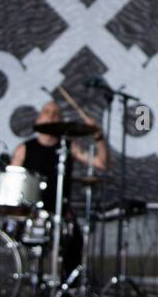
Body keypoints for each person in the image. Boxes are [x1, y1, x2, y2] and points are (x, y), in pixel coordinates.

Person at [10, 99, 108, 274]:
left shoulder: (68, 147)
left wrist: (98, 136)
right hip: (30, 211)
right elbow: (12, 183)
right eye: (46, 111)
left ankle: (67, 291)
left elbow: (100, 163)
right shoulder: (24, 149)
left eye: (56, 113)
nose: (51, 116)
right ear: (38, 119)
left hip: (60, 212)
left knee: (75, 242)